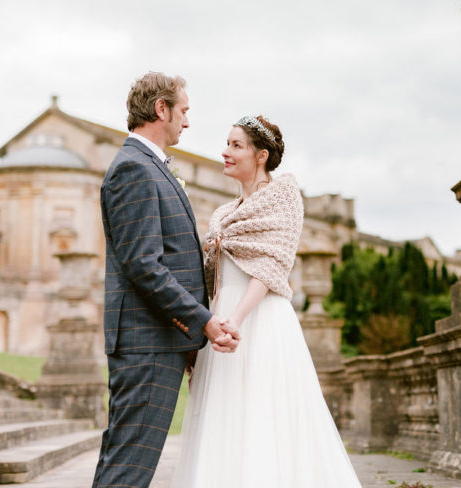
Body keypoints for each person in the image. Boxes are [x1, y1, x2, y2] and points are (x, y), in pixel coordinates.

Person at [170, 115, 362, 487]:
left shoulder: (284, 198)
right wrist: (211, 324)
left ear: (260, 156)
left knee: (264, 414)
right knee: (223, 417)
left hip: (260, 319)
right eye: (226, 144)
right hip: (220, 321)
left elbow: (272, 267)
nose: (225, 152)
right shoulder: (222, 213)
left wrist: (236, 321)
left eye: (235, 145)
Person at [92, 72, 240, 488]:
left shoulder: (148, 166)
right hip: (146, 342)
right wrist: (203, 322)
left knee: (128, 462)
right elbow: (144, 265)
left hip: (159, 340)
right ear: (162, 109)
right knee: (129, 467)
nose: (187, 123)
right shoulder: (133, 169)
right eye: (184, 111)